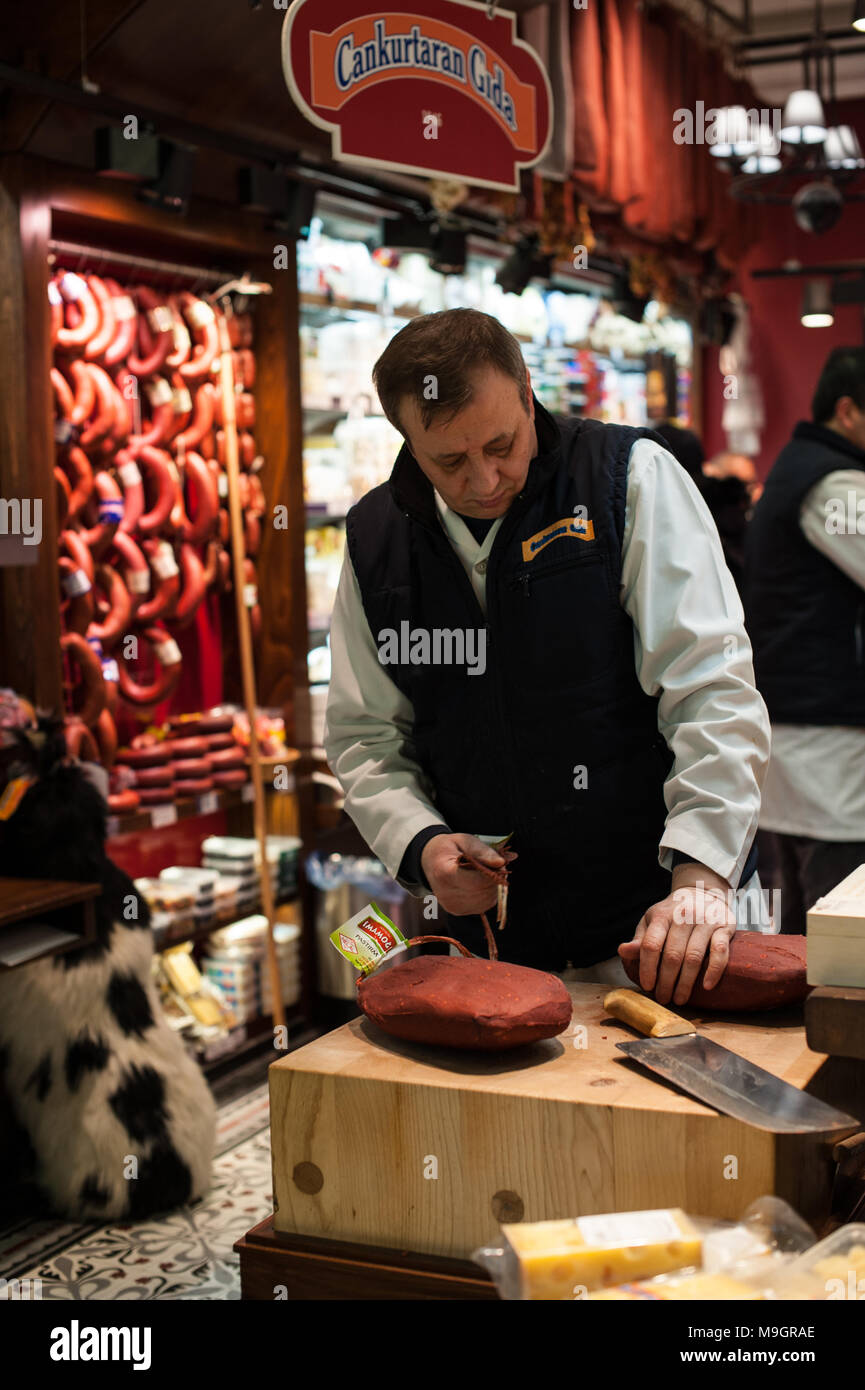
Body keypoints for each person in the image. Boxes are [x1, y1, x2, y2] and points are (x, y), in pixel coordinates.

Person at [325, 309, 769, 1006]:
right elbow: (364, 736)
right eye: (449, 460)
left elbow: (709, 687)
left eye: (501, 443)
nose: (483, 479)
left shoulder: (626, 478)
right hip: (496, 949)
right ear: (407, 442)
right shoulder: (374, 540)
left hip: (660, 926)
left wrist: (700, 874)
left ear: (528, 393)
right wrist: (423, 846)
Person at [745, 346, 865, 935]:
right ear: (848, 411)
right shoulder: (834, 483)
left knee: (799, 922)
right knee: (838, 930)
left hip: (801, 733)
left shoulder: (803, 467)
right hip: (824, 743)